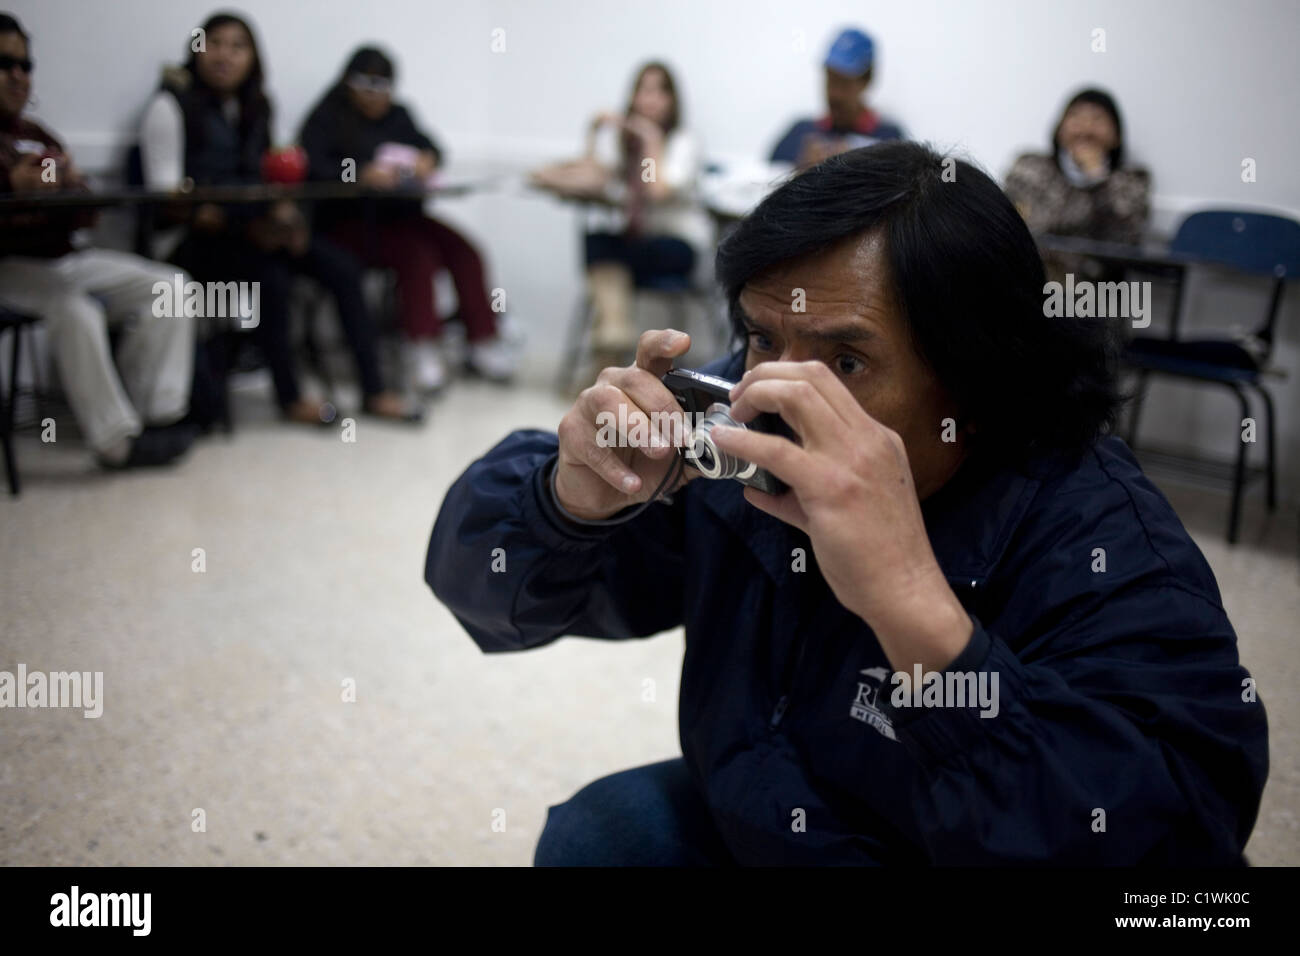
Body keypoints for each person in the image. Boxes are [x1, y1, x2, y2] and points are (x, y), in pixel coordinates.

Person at [426, 141, 1268, 866]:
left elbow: (1177, 868)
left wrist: (916, 610)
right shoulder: (744, 428)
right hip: (777, 809)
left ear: (976, 380)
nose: (780, 392)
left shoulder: (1101, 538)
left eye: (848, 364)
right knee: (602, 839)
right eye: (761, 337)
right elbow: (490, 592)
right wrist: (569, 500)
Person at [138, 12, 418, 424]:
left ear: (252, 57)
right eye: (214, 44)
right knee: (272, 278)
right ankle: (290, 398)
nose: (224, 56)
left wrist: (286, 219)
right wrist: (251, 227)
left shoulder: (256, 108)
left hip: (252, 232)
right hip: (190, 242)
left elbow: (267, 179)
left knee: (342, 267)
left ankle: (374, 391)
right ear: (196, 49)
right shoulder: (170, 106)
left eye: (237, 47)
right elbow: (169, 202)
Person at [0, 12, 196, 469]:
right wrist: (12, 185)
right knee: (74, 307)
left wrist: (69, 187)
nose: (17, 76)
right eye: (4, 63)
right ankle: (115, 442)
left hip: (61, 258)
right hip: (8, 267)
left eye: (25, 66)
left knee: (172, 286)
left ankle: (159, 414)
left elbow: (85, 215)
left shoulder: (37, 137)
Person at [299, 46, 518, 393]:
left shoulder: (399, 116)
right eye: (365, 84)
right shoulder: (326, 118)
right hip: (349, 225)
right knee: (418, 256)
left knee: (464, 250)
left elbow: (431, 148)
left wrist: (426, 160)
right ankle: (421, 347)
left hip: (402, 216)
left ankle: (482, 342)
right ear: (347, 82)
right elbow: (312, 169)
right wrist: (361, 175)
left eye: (382, 85)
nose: (374, 94)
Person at [538, 61, 711, 375]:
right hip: (637, 243)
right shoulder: (625, 144)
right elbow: (591, 176)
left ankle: (610, 341)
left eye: (660, 91)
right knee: (597, 241)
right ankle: (613, 331)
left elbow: (657, 190)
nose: (650, 99)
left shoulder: (684, 141)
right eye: (643, 90)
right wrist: (594, 133)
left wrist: (651, 139)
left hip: (676, 246)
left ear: (673, 100)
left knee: (612, 251)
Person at [1004, 88, 1151, 280]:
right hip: (1028, 278)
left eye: (1097, 119)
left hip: (1091, 292)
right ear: (1059, 129)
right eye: (1076, 117)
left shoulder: (1131, 181)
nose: (1086, 128)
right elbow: (1023, 225)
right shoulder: (1030, 167)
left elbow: (1124, 243)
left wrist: (1097, 178)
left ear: (1116, 137)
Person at [769, 27, 905, 168]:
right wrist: (800, 169)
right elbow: (763, 181)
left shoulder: (890, 140)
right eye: (830, 80)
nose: (835, 93)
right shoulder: (798, 134)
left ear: (867, 81)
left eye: (844, 83)